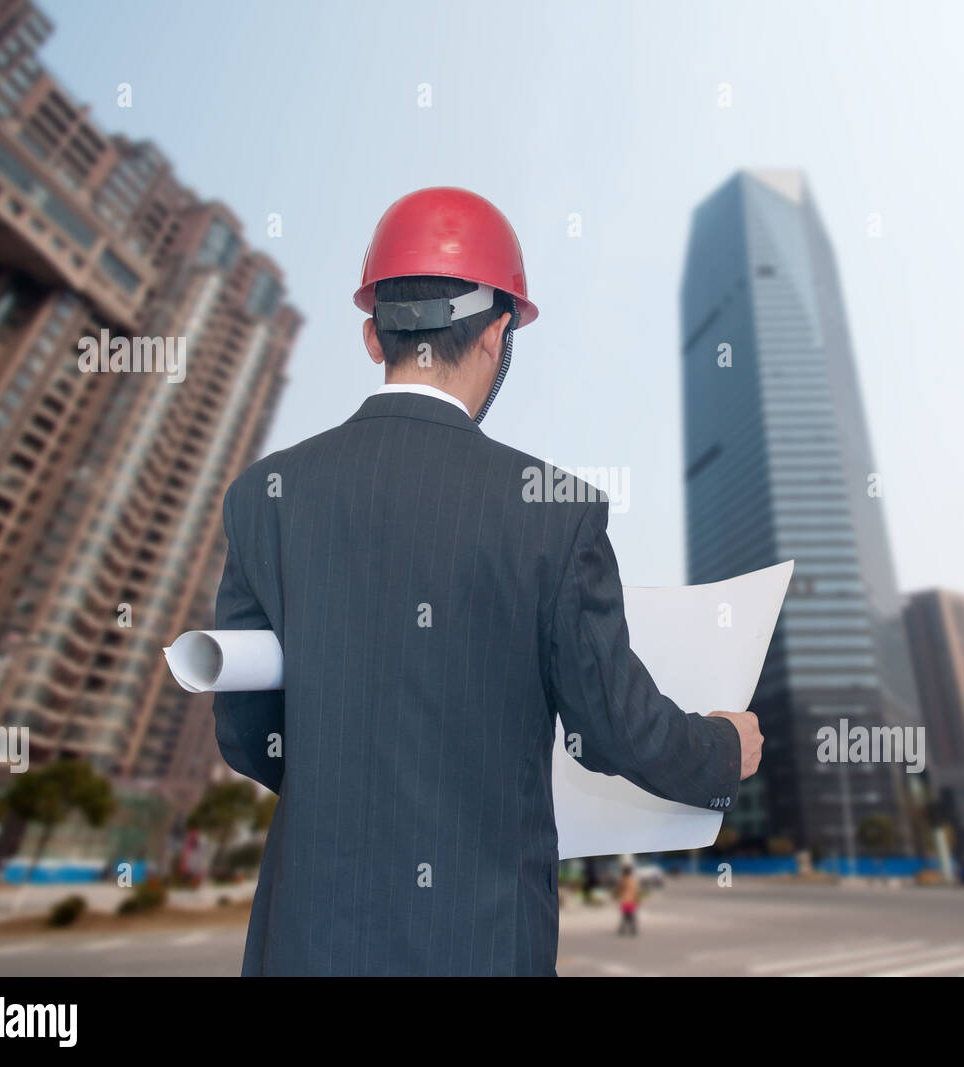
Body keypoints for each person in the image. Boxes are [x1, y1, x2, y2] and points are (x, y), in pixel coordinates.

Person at [212, 187, 764, 976]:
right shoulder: (554, 513)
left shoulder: (264, 496)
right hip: (477, 944)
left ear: (374, 335)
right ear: (499, 332)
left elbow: (245, 732)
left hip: (304, 942)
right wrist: (719, 747)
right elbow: (615, 727)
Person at [616, 863, 640, 936]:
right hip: (631, 900)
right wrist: (637, 900)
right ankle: (631, 929)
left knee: (626, 916)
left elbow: (619, 889)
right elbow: (636, 891)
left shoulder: (622, 879)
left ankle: (623, 929)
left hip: (625, 900)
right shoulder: (633, 880)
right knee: (630, 916)